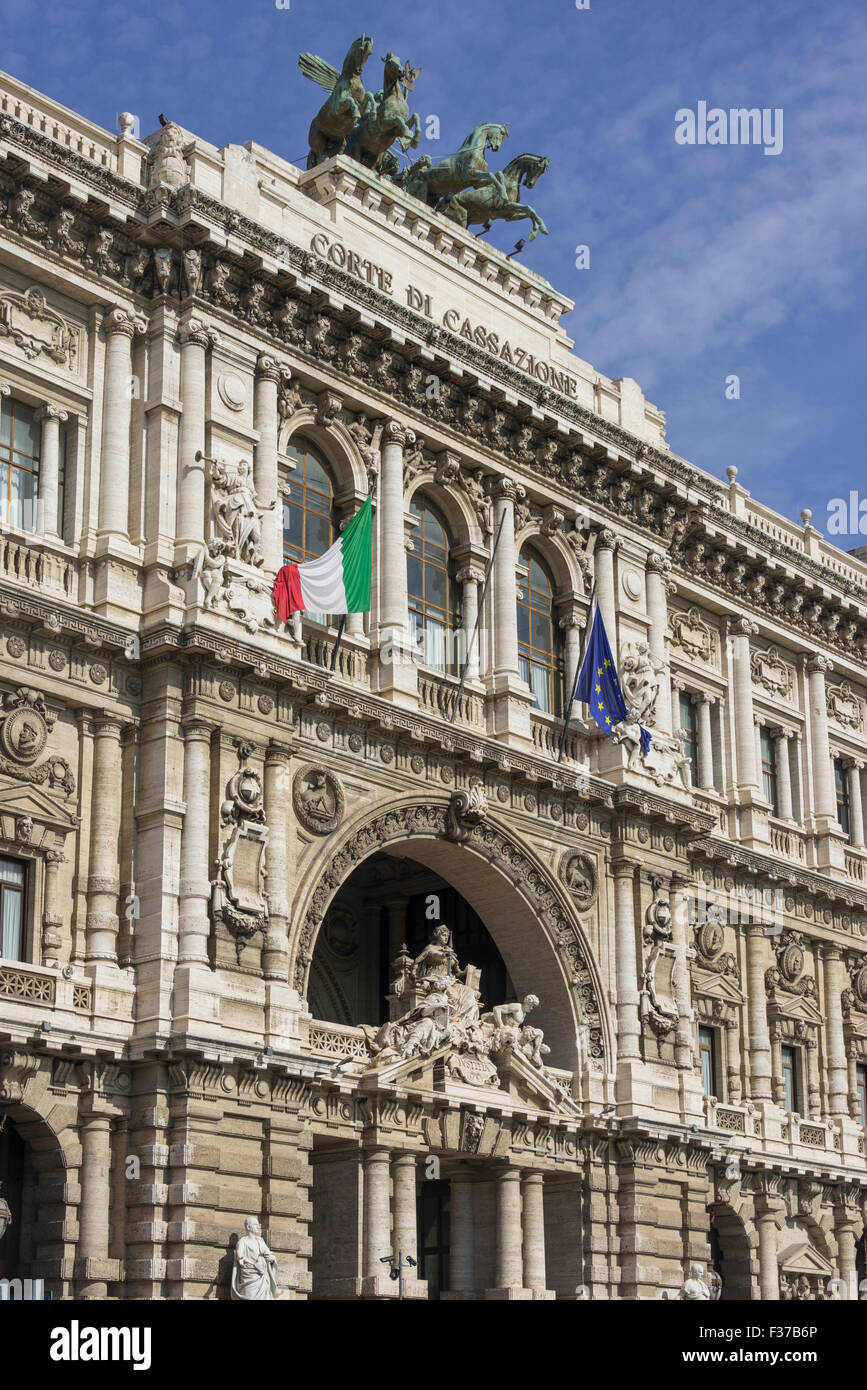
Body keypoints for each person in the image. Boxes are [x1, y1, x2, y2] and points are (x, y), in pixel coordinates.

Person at [231, 1216, 278, 1300]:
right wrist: (242, 1259)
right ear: (248, 1227)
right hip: (249, 1276)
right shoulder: (243, 1241)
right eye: (255, 1225)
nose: (258, 1227)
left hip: (261, 1276)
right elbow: (239, 1254)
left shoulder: (260, 1240)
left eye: (258, 1225)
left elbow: (267, 1253)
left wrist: (272, 1258)